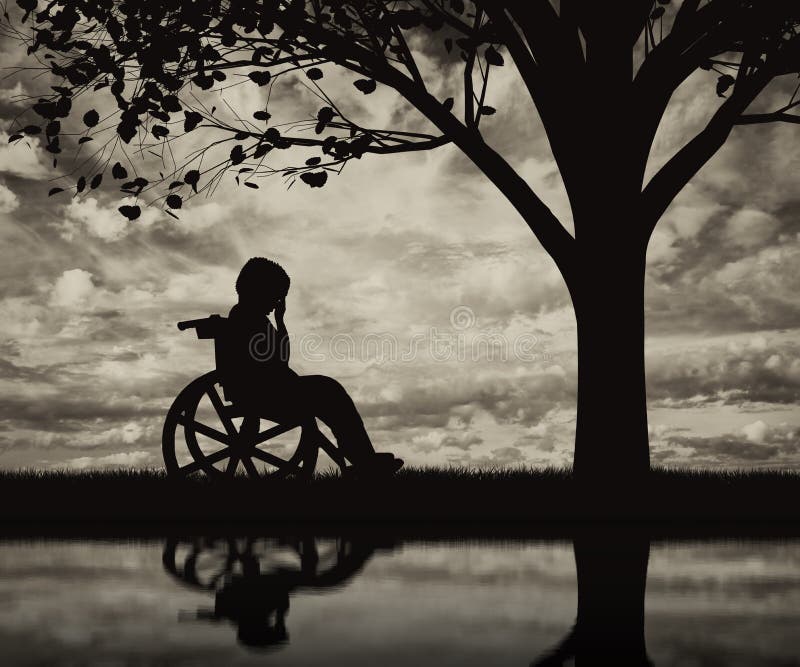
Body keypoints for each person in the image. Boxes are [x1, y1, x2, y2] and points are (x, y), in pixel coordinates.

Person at [219, 256, 403, 475]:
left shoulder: (247, 316)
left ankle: (361, 457)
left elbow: (277, 359)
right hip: (267, 392)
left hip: (266, 389)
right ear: (259, 291)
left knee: (329, 390)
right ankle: (362, 458)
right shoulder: (249, 318)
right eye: (276, 296)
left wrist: (279, 322)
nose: (277, 303)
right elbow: (280, 361)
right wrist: (280, 323)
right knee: (330, 391)